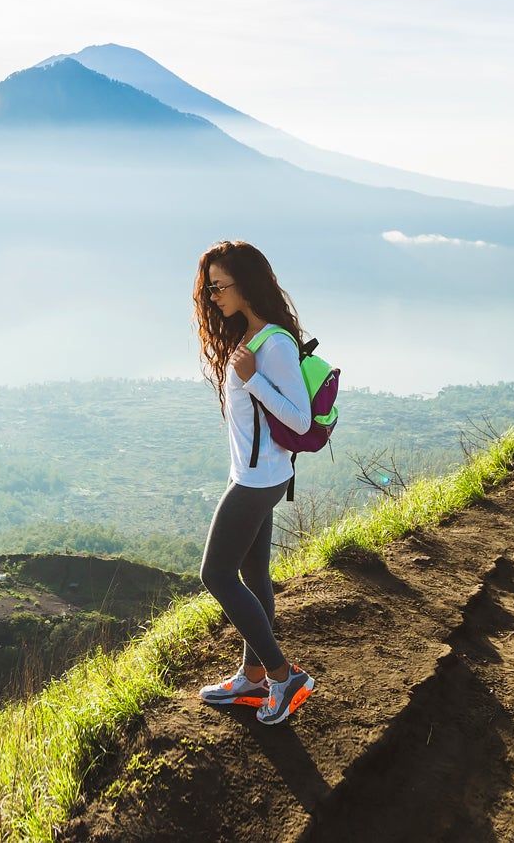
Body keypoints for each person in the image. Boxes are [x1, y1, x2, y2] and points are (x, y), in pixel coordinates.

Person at [192, 239, 316, 725]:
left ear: (245, 283)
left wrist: (253, 379)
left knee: (215, 575)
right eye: (209, 289)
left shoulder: (276, 344)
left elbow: (300, 421)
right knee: (253, 575)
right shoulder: (252, 337)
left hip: (257, 481)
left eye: (218, 286)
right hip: (255, 474)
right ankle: (253, 677)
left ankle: (284, 676)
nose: (213, 296)